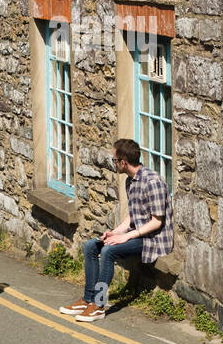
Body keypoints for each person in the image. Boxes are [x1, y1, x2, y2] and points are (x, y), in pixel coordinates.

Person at [60, 138, 173, 323]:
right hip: (136, 233)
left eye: (115, 160)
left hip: (153, 239)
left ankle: (98, 305)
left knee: (109, 251)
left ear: (123, 162)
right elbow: (132, 216)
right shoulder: (131, 181)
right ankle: (88, 299)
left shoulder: (153, 182)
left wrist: (125, 237)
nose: (114, 164)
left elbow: (156, 222)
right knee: (91, 246)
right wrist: (115, 232)